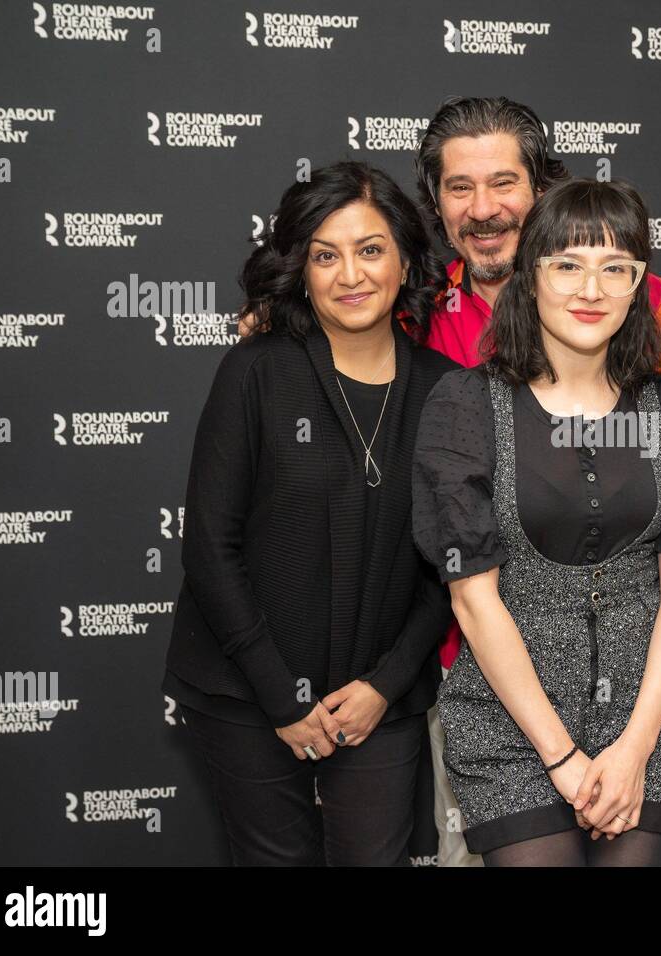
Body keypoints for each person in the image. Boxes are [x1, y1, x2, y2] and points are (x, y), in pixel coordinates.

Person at [241, 96, 661, 866]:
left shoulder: (636, 301)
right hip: (462, 666)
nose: (483, 209)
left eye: (504, 183)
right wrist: (277, 319)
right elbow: (331, 326)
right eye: (458, 188)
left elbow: (657, 485)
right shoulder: (410, 303)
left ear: (543, 188)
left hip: (620, 671)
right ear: (435, 202)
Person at [411, 178, 661, 865]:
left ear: (640, 284)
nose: (592, 289)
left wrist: (637, 747)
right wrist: (561, 757)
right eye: (568, 266)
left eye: (617, 268)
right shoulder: (466, 405)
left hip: (651, 724)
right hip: (512, 726)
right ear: (531, 276)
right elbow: (472, 595)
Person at [162, 161, 458, 865]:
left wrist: (384, 686)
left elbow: (452, 564)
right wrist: (281, 698)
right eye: (326, 255)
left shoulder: (446, 391)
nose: (350, 274)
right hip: (245, 693)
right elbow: (209, 545)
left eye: (370, 249)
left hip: (379, 700)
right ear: (300, 267)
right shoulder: (257, 371)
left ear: (407, 258)